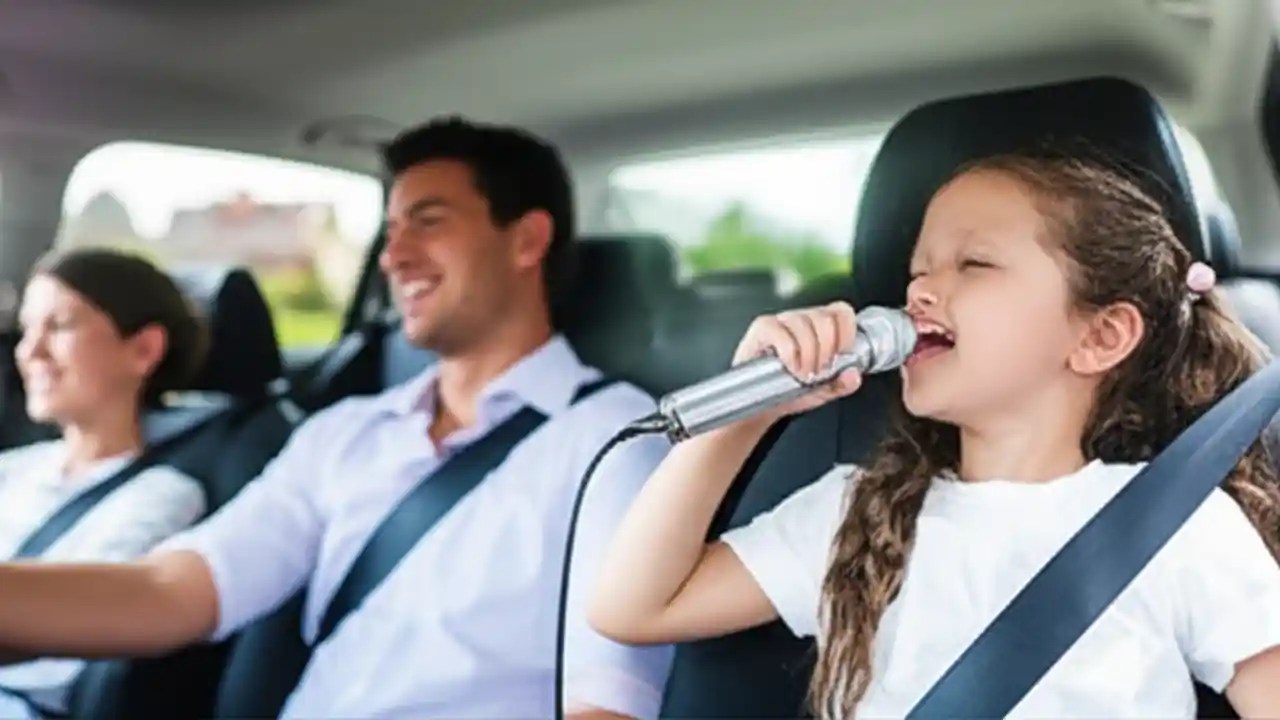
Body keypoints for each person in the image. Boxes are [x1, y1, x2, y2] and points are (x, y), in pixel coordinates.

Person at [0, 118, 672, 719]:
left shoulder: (616, 439)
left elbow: (611, 703)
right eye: (391, 230)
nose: (393, 256)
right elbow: (171, 589)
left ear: (527, 239)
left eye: (429, 221)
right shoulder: (342, 433)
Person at [590, 153, 1280, 718]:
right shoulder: (856, 513)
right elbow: (634, 606)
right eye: (917, 272)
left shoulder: (1177, 528)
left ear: (1100, 336)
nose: (918, 292)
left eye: (972, 264)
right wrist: (749, 411)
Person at [0, 248, 208, 718]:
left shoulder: (160, 497)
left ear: (143, 350)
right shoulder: (12, 468)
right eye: (28, 329)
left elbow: (67, 653)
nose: (29, 352)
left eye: (59, 326)